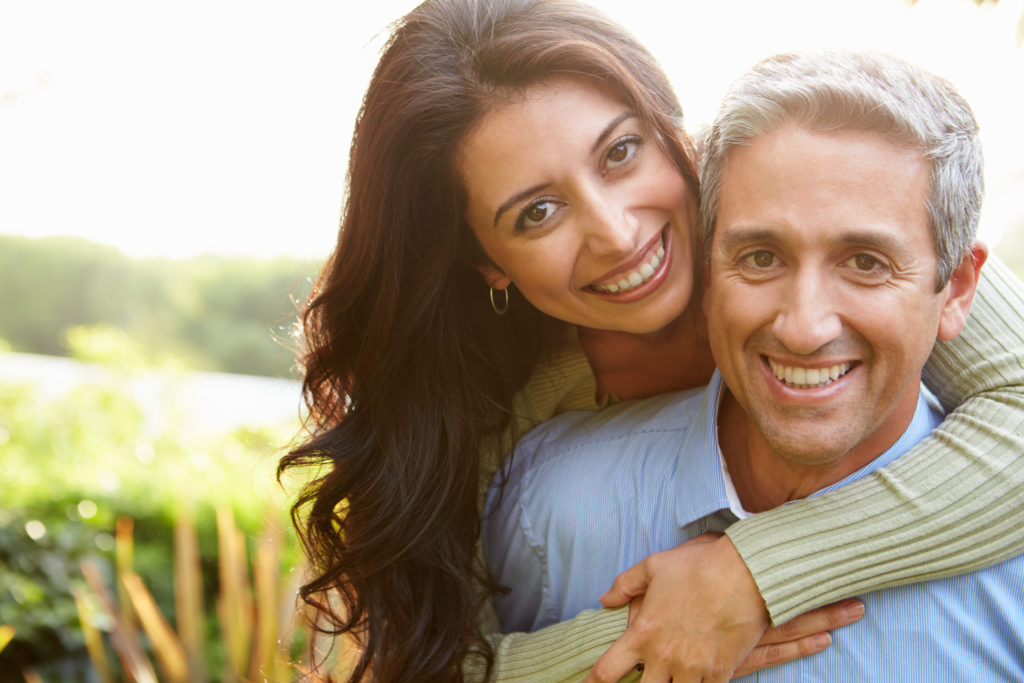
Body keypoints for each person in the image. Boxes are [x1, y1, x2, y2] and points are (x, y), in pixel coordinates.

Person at [276, 1, 1024, 680]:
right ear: (486, 260)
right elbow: (411, 666)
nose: (616, 231)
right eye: (537, 212)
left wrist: (755, 573)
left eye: (620, 152)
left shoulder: (802, 201)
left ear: (674, 130)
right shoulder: (484, 408)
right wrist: (644, 637)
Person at [485, 49, 1024, 680]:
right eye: (762, 256)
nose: (804, 326)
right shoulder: (539, 508)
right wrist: (639, 643)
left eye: (866, 263)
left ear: (956, 290)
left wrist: (759, 571)